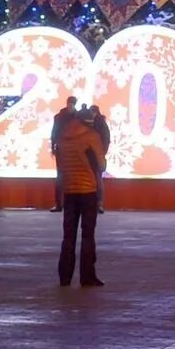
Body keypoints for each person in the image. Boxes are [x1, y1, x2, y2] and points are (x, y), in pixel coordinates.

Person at [57, 104, 106, 288]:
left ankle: (64, 276)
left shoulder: (62, 137)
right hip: (88, 191)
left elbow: (60, 165)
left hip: (69, 191)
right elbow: (101, 165)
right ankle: (87, 276)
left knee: (68, 236)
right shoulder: (91, 137)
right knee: (87, 235)